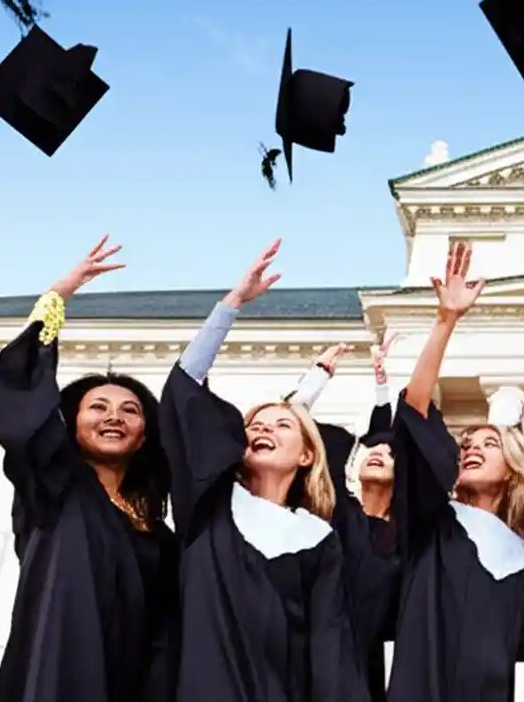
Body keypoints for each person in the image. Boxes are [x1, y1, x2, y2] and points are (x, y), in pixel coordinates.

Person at [159, 239, 365, 701]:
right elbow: (183, 393)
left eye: (281, 425)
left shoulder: (317, 538)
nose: (263, 429)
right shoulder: (209, 505)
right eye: (255, 423)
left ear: (308, 455)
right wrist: (231, 305)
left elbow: (330, 651)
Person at [0, 236, 178, 702]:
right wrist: (56, 299)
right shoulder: (54, 486)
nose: (114, 416)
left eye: (130, 410)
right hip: (53, 677)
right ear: (70, 426)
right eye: (98, 407)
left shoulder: (158, 536)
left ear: (145, 434)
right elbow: (22, 402)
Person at [386, 242, 524, 701]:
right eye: (467, 444)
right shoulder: (435, 525)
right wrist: (446, 321)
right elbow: (415, 413)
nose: (471, 449)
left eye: (490, 444)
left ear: (515, 469)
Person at [288, 338, 401, 701]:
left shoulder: (408, 537)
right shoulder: (338, 513)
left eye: (389, 452)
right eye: (372, 450)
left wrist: (386, 388)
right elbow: (294, 427)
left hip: (370, 671)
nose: (378, 453)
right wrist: (317, 377)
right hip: (315, 656)